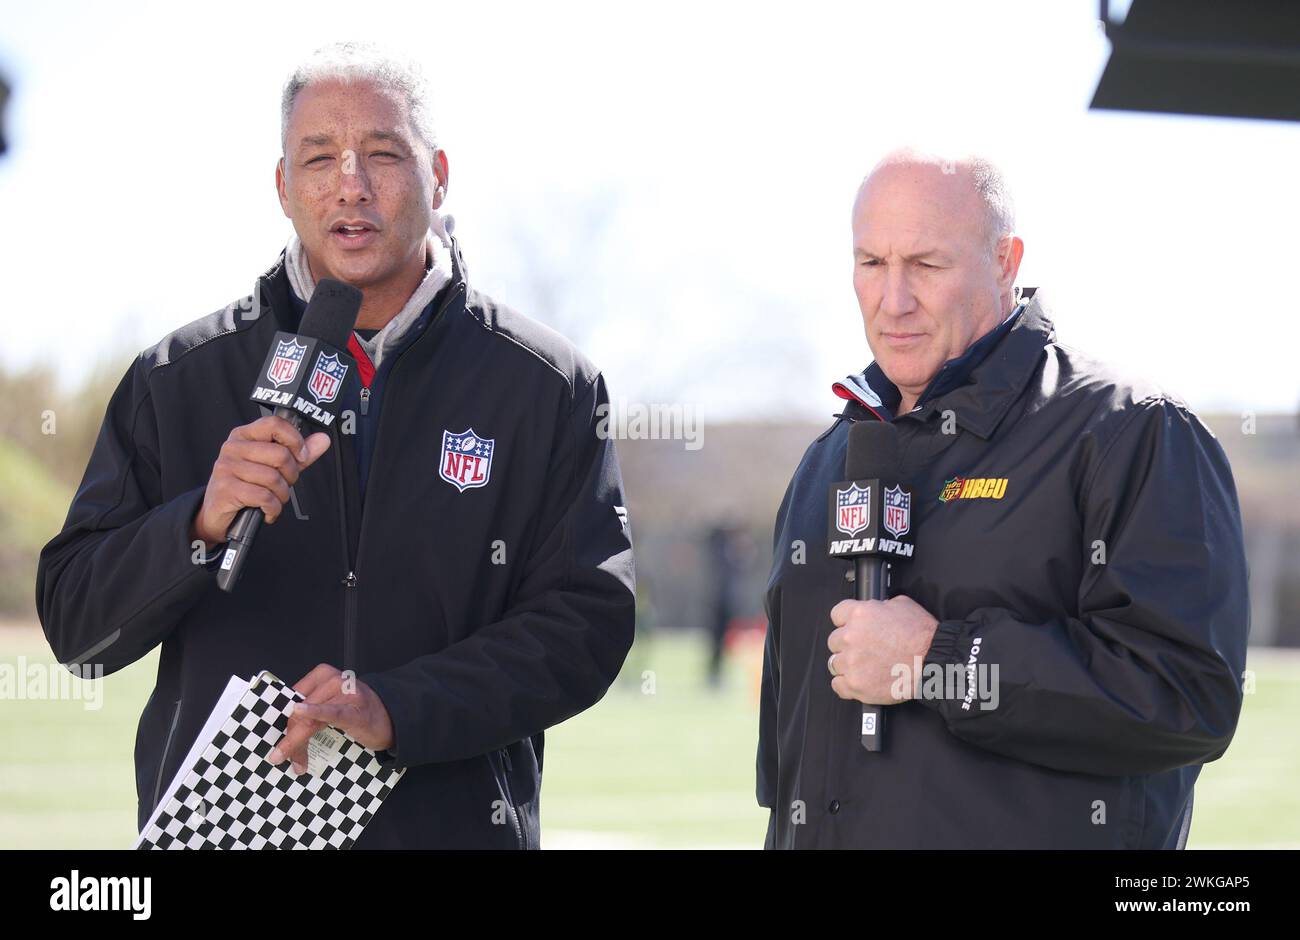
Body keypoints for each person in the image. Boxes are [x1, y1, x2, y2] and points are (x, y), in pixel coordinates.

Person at [36, 42, 635, 849]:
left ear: (440, 175)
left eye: (383, 154)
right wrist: (197, 527)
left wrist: (399, 707)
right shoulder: (177, 378)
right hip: (231, 833)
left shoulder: (546, 386)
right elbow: (78, 632)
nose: (350, 183)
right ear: (283, 187)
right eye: (319, 159)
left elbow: (585, 626)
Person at [756, 148, 1249, 849]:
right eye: (871, 264)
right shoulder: (830, 457)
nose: (893, 300)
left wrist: (942, 662)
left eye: (926, 265)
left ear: (1005, 261)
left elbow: (1187, 698)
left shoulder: (1131, 430)